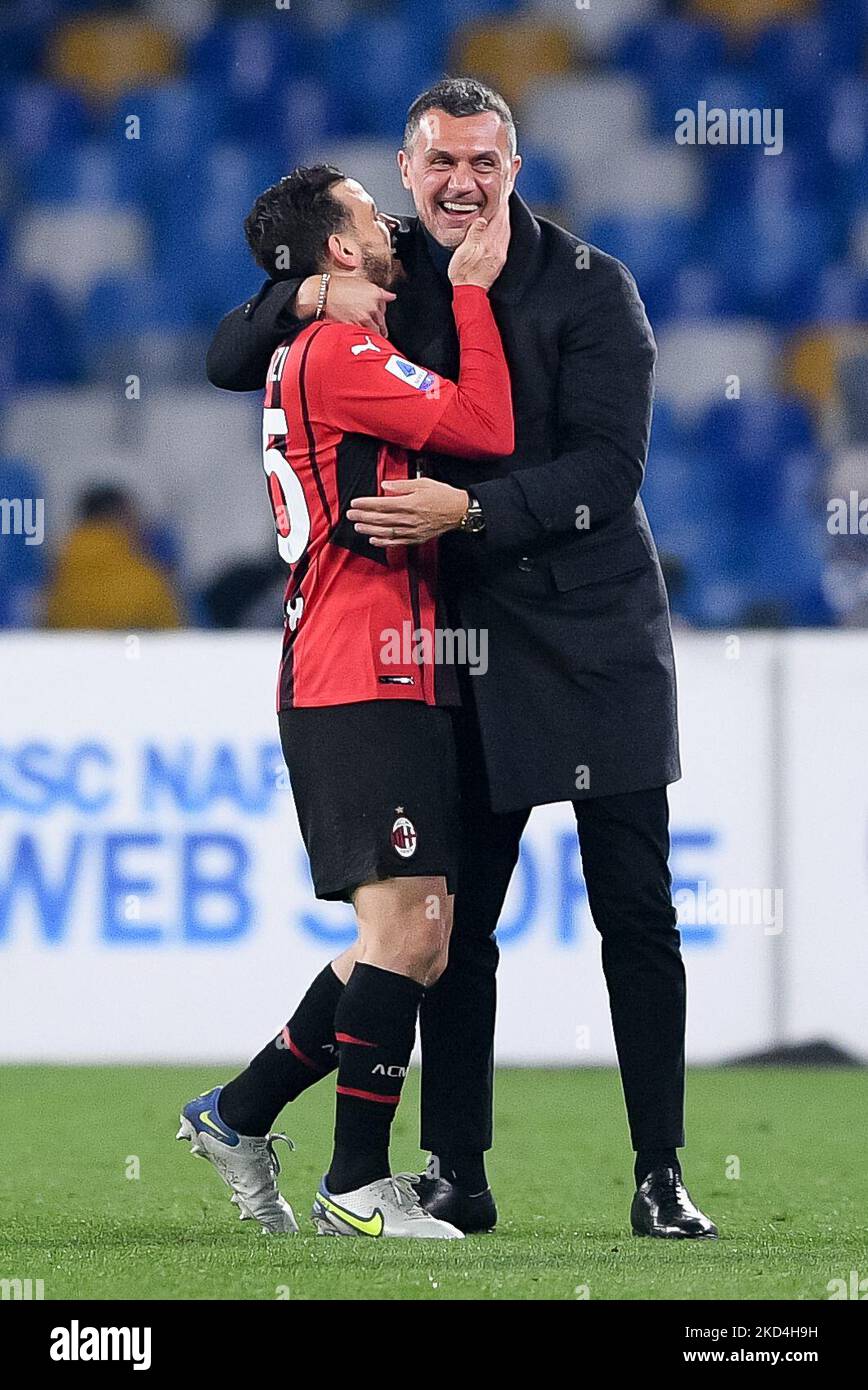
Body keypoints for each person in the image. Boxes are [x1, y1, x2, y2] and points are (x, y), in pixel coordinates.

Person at [206, 79, 718, 1241]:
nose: (459, 183)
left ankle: (660, 1173)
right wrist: (303, 286)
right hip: (465, 647)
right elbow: (231, 354)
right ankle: (455, 1170)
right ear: (406, 167)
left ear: (513, 166)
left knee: (634, 914)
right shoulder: (385, 284)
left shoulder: (593, 289)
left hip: (595, 640)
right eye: (439, 162)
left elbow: (609, 476)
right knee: (456, 927)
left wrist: (472, 516)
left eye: (482, 162)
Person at [179, 165, 514, 1238]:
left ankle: (237, 1114)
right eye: (370, 213)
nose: (389, 225)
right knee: (411, 928)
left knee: (410, 933)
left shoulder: (322, 340)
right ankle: (356, 1184)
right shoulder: (338, 347)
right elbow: (485, 427)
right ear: (334, 249)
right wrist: (468, 293)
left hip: (381, 665)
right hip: (356, 667)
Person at [44, 485, 182, 630]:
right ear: (121, 517)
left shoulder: (49, 577)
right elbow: (172, 640)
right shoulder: (148, 583)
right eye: (133, 517)